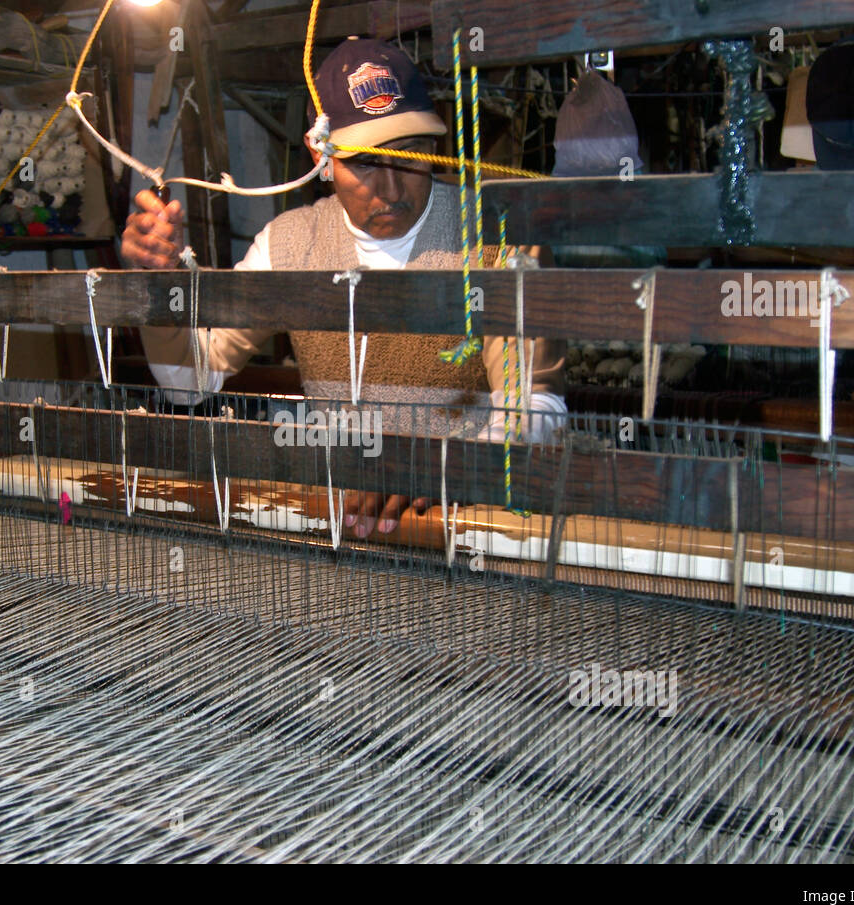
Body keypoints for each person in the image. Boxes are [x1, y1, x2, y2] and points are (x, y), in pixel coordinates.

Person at [121, 38, 567, 537]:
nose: (392, 190)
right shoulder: (288, 248)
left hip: (468, 533)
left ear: (436, 147)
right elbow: (188, 383)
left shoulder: (498, 238)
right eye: (365, 164)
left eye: (411, 156)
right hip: (340, 530)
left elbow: (536, 405)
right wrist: (156, 290)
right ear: (322, 157)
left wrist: (450, 464)